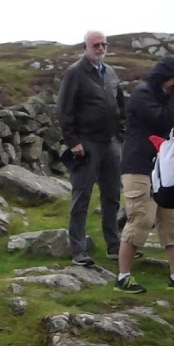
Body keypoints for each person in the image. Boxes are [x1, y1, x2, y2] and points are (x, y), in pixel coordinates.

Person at [113, 54, 174, 294]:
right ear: (167, 77)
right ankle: (123, 276)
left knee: (172, 221)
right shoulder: (143, 95)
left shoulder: (169, 97)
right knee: (141, 218)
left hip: (166, 169)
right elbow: (162, 119)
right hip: (140, 166)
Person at [58, 30, 126, 267]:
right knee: (82, 196)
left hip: (110, 143)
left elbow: (120, 105)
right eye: (96, 45)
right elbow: (64, 110)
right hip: (86, 144)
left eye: (104, 45)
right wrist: (73, 142)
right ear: (85, 46)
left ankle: (114, 245)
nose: (100, 48)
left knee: (112, 196)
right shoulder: (75, 73)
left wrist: (120, 134)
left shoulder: (110, 73)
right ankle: (78, 249)